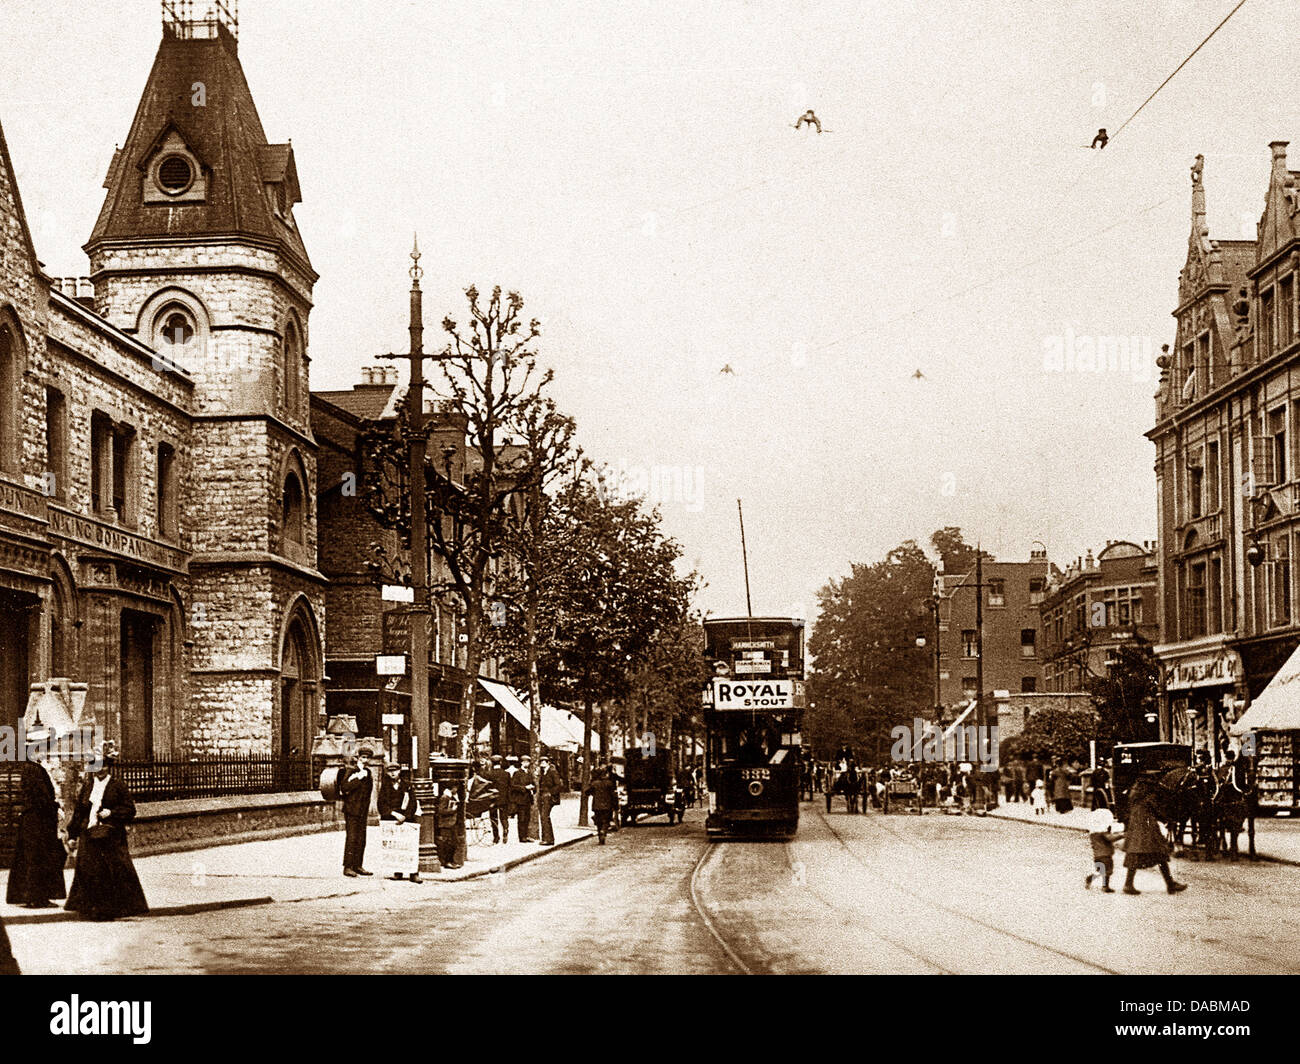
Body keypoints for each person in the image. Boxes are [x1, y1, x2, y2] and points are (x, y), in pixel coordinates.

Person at [64, 743, 149, 921]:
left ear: (108, 766)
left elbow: (129, 809)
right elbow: (80, 812)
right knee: (88, 870)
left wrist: (112, 813)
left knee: (113, 870)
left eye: (102, 765)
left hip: (111, 835)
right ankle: (89, 908)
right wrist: (72, 835)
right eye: (95, 765)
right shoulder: (87, 787)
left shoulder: (117, 786)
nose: (99, 769)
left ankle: (112, 908)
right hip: (89, 835)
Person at [6, 738, 67, 908]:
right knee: (37, 858)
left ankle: (32, 896)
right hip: (37, 821)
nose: (42, 753)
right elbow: (41, 798)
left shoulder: (32, 768)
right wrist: (55, 806)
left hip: (35, 820)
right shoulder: (33, 770)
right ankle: (36, 897)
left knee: (32, 857)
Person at [1122, 772, 1188, 896]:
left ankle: (1128, 884)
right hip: (1147, 828)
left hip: (1136, 827)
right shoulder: (1149, 794)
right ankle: (1170, 884)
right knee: (1160, 854)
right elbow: (1157, 810)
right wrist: (1169, 820)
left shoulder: (1135, 793)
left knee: (1135, 856)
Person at [377, 762, 420, 882]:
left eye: (395, 771)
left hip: (407, 819)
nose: (392, 773)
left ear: (399, 771)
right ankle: (398, 871)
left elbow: (413, 803)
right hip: (392, 819)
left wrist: (405, 816)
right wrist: (394, 814)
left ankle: (413, 873)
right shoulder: (385, 787)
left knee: (409, 846)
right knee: (396, 846)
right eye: (390, 771)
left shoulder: (407, 785)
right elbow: (381, 804)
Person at [340, 748, 374, 877]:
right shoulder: (351, 770)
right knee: (352, 837)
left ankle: (358, 865)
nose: (365, 760)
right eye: (363, 757)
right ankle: (348, 866)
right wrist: (358, 778)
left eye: (367, 758)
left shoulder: (368, 772)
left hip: (362, 810)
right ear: (358, 758)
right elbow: (345, 788)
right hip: (352, 809)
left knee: (361, 838)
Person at [1084, 808, 1124, 893]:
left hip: (1097, 856)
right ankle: (1105, 887)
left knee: (1100, 871)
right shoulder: (1103, 833)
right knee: (1108, 871)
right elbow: (1110, 838)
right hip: (1105, 855)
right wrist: (1121, 835)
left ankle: (1090, 878)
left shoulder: (1094, 833)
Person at [586, 765, 618, 844]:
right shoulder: (609, 783)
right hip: (607, 806)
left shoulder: (594, 784)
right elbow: (613, 795)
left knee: (598, 821)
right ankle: (604, 831)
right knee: (606, 820)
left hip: (597, 806)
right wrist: (616, 806)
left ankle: (600, 834)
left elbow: (587, 792)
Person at [537, 755, 562, 846]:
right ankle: (547, 838)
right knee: (544, 817)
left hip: (548, 797)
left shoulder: (552, 772)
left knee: (544, 816)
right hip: (542, 796)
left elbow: (558, 785)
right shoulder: (543, 772)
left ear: (548, 763)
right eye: (541, 762)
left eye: (544, 762)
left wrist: (551, 793)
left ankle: (548, 839)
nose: (542, 764)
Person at [487, 755, 511, 844]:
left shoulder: (489, 774)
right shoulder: (506, 774)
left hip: (492, 799)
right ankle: (505, 831)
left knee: (494, 818)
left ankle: (496, 837)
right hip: (504, 799)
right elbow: (510, 787)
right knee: (504, 817)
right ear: (500, 763)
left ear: (492, 763)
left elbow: (487, 787)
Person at [511, 756, 536, 843]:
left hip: (528, 799)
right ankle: (522, 837)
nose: (526, 764)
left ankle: (526, 835)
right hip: (520, 799)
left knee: (527, 818)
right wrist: (525, 788)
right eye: (524, 762)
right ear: (521, 763)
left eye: (528, 762)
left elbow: (533, 784)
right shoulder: (517, 773)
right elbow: (513, 786)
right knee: (521, 819)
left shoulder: (529, 773)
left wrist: (533, 787)